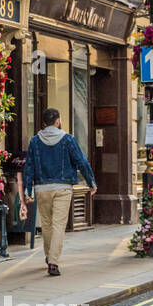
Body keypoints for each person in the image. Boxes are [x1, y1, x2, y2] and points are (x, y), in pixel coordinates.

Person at [23, 108, 96, 277]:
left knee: (47, 225)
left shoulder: (35, 141)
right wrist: (91, 182)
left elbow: (29, 167)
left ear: (43, 123)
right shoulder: (67, 139)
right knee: (58, 226)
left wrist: (28, 190)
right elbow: (81, 161)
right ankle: (53, 263)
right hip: (62, 188)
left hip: (42, 188)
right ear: (58, 121)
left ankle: (50, 257)